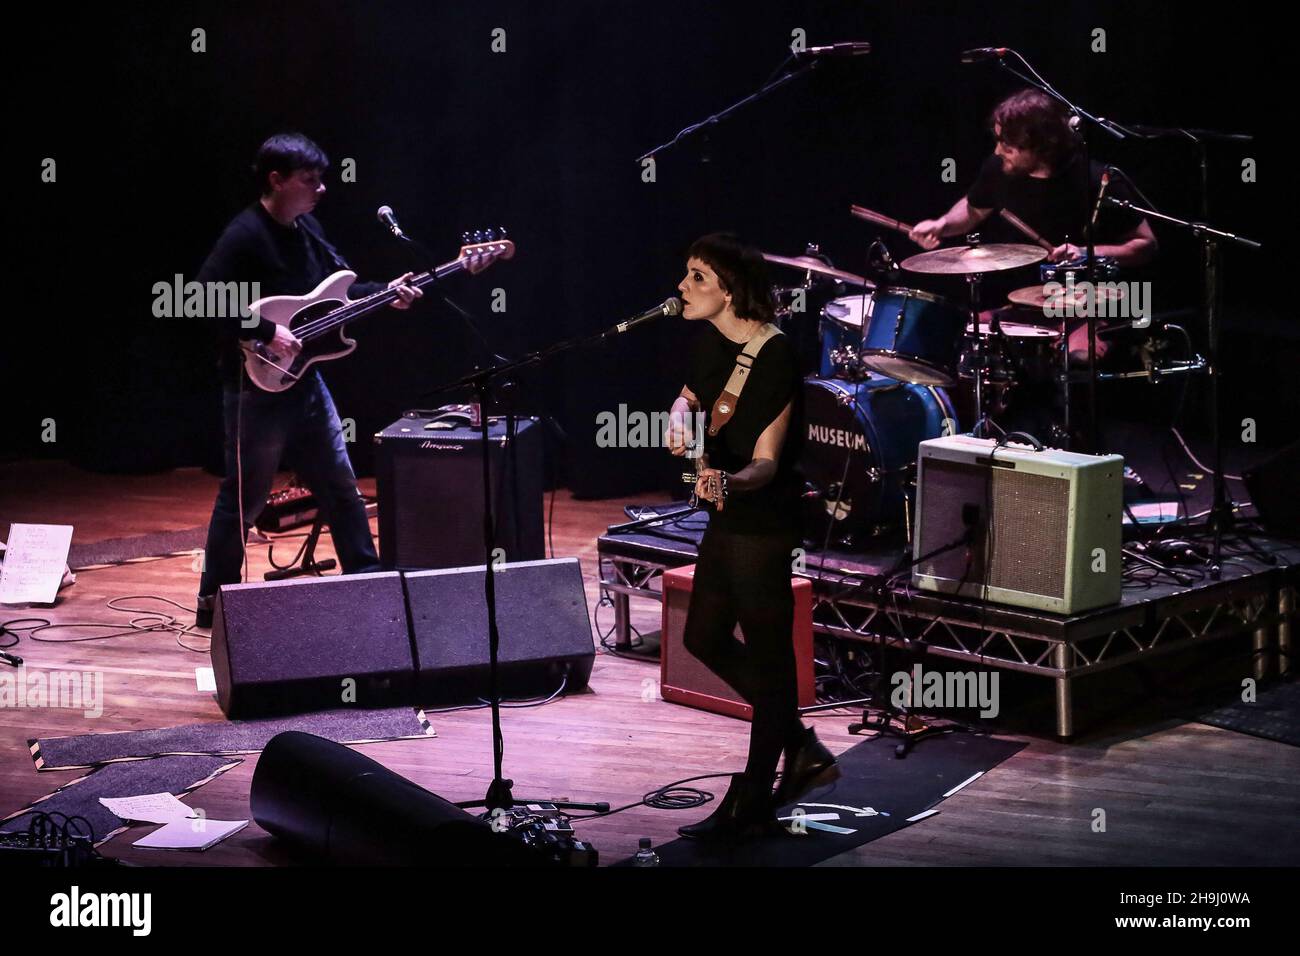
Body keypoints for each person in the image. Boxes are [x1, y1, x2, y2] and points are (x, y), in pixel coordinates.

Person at [194, 133, 422, 627]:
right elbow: (202, 297)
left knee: (340, 483)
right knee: (243, 498)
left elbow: (335, 297)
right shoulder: (245, 234)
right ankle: (215, 604)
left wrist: (387, 292)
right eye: (310, 180)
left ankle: (368, 580)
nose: (321, 189)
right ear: (276, 180)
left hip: (305, 381)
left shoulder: (307, 228)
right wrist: (265, 330)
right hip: (254, 386)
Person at [666, 233, 838, 842]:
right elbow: (689, 399)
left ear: (730, 289)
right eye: (685, 276)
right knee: (703, 636)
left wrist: (730, 483)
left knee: (769, 656)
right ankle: (797, 743)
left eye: (697, 278)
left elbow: (766, 460)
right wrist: (679, 418)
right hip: (727, 517)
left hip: (762, 519)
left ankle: (757, 798)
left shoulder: (776, 356)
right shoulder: (709, 341)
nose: (683, 288)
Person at [909, 88, 1158, 364]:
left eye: (1008, 145)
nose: (997, 150)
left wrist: (1087, 252)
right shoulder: (999, 169)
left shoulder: (1098, 180)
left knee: (1078, 359)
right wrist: (941, 224)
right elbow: (973, 208)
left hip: (1096, 304)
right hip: (1030, 301)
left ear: (1042, 146)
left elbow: (1146, 245)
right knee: (962, 336)